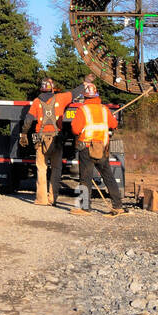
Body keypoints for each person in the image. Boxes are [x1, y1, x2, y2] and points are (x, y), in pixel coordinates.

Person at [69, 78, 124, 216]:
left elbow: (75, 129)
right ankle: (118, 206)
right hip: (102, 148)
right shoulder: (104, 109)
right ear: (97, 95)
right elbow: (114, 125)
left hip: (87, 148)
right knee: (108, 177)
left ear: (85, 97)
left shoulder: (83, 110)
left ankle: (85, 208)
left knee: (85, 178)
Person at [20, 74, 73, 207]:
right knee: (56, 168)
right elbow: (75, 93)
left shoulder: (37, 102)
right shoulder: (61, 98)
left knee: (41, 168)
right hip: (56, 139)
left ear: (42, 88)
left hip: (41, 139)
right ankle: (52, 199)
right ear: (52, 88)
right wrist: (86, 83)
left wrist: (24, 134)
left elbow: (28, 120)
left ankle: (41, 199)